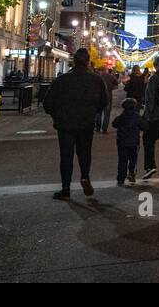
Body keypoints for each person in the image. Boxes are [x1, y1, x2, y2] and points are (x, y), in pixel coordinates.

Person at [42, 48, 110, 200]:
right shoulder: (96, 80)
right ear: (88, 61)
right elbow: (104, 101)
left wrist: (57, 115)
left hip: (65, 124)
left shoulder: (61, 80)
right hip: (86, 123)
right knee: (85, 152)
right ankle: (85, 176)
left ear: (74, 61)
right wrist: (93, 112)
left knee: (66, 156)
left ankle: (66, 189)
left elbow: (47, 103)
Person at [112, 98, 142, 185]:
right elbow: (144, 126)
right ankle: (131, 173)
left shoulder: (121, 117)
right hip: (134, 142)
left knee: (122, 160)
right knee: (133, 159)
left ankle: (121, 178)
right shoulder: (137, 117)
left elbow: (114, 124)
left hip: (122, 142)